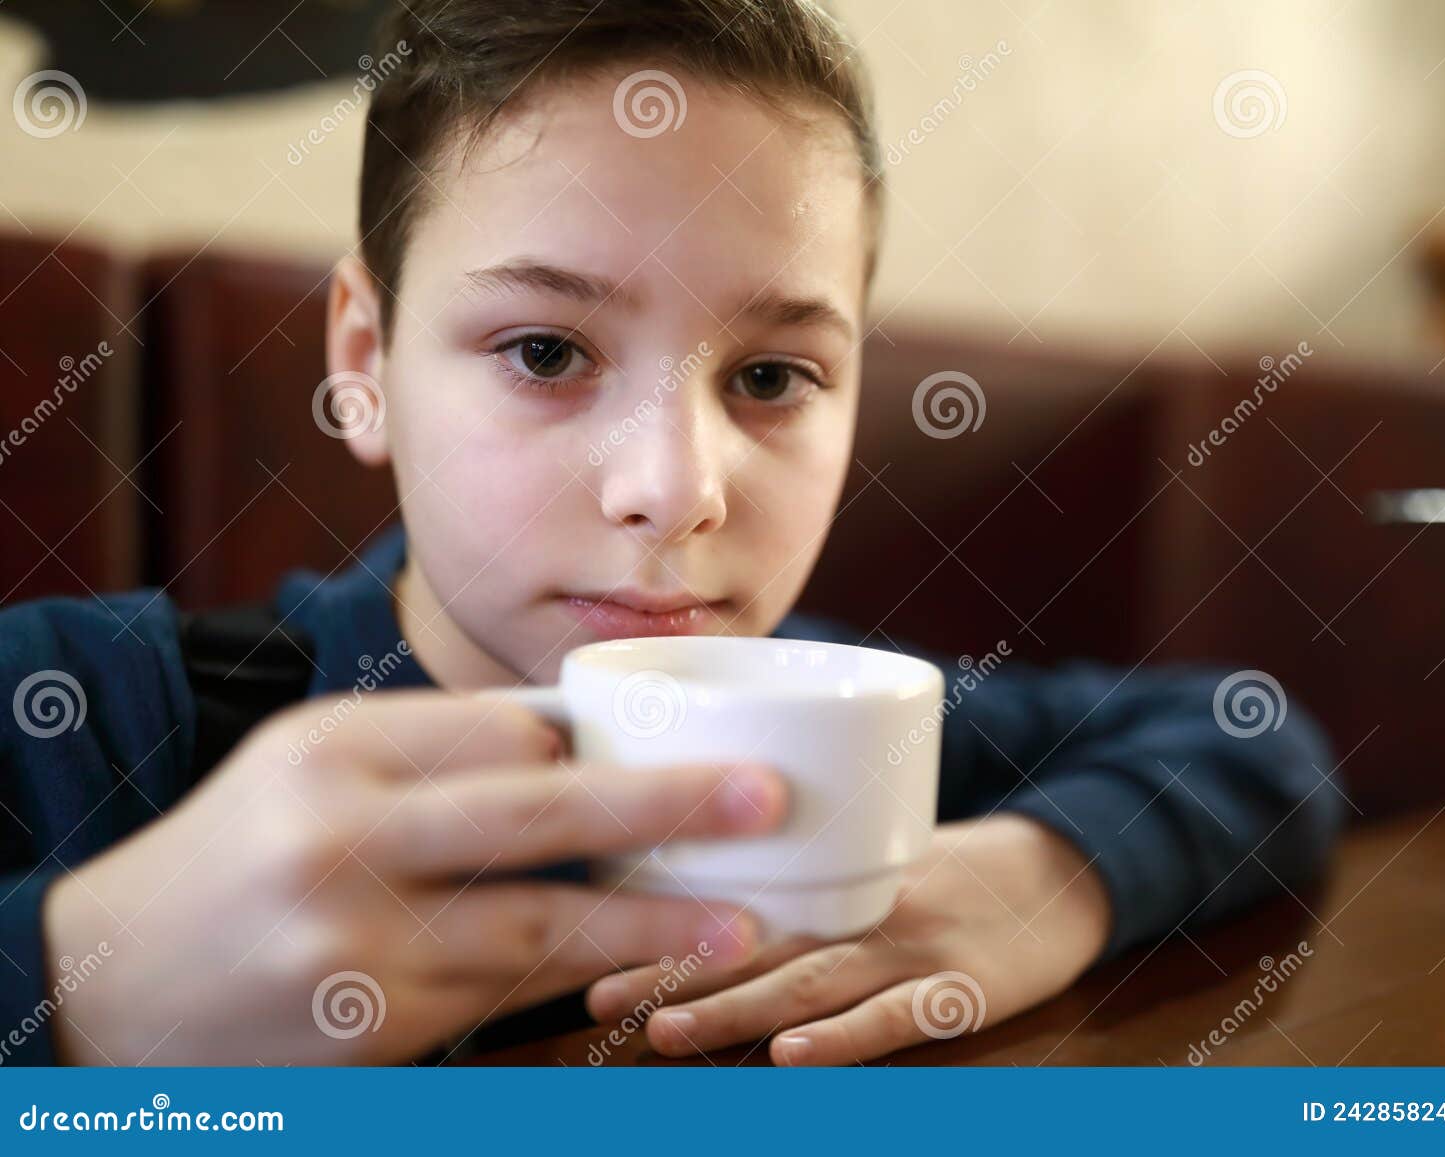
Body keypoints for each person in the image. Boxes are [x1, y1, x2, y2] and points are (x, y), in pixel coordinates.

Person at [0, 0, 1341, 1067]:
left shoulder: (837, 739)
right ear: (365, 356)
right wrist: (75, 985)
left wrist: (1041, 882)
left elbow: (1244, 731)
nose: (676, 487)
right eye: (545, 349)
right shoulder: (86, 713)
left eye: (771, 377)